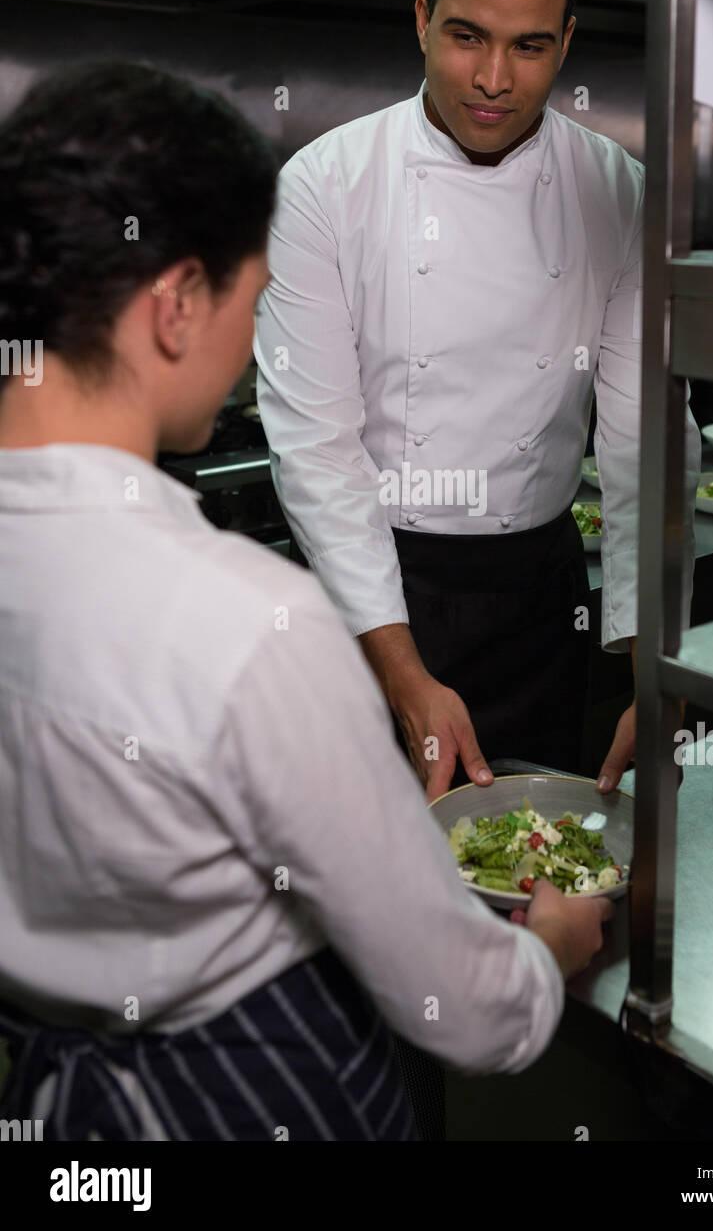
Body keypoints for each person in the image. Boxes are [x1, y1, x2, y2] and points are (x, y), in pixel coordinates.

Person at [0, 60, 615, 1142]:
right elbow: (470, 1012)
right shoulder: (247, 630)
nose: (255, 339)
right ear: (179, 305)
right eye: (258, 285)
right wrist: (554, 941)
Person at [255, 0, 700, 805]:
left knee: (537, 876)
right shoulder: (325, 186)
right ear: (422, 19)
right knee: (364, 883)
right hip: (369, 588)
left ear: (566, 43)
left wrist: (654, 670)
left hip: (535, 595)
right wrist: (404, 676)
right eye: (467, 36)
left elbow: (642, 436)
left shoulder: (621, 193)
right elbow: (317, 451)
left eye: (529, 45)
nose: (494, 77)